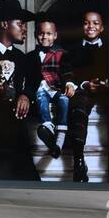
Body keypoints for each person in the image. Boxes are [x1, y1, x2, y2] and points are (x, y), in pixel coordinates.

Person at [0, 0, 39, 182]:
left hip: (15, 134)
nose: (25, 28)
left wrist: (25, 95)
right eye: (20, 23)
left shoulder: (22, 58)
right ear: (5, 24)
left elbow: (33, 80)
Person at [61, 10, 109, 184]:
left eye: (95, 23)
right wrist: (83, 84)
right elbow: (67, 73)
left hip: (105, 91)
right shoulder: (71, 51)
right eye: (87, 23)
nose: (91, 26)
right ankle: (79, 161)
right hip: (83, 90)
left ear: (102, 27)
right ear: (82, 27)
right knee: (78, 110)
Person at [27, 18, 70, 159]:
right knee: (40, 97)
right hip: (40, 90)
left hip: (56, 88)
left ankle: (60, 137)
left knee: (64, 100)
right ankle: (48, 127)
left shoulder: (62, 54)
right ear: (35, 34)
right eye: (41, 33)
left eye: (48, 34)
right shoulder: (30, 57)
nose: (44, 37)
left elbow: (67, 72)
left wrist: (69, 83)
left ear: (55, 35)